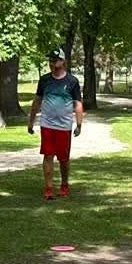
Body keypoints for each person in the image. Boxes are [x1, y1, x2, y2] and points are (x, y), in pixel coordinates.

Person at [27, 48, 83, 200]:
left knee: (63, 159)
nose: (52, 63)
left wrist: (79, 124)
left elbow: (77, 104)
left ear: (63, 61)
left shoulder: (72, 81)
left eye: (55, 60)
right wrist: (31, 122)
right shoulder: (44, 80)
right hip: (47, 124)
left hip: (64, 126)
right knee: (48, 155)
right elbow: (37, 101)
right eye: (50, 60)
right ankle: (49, 188)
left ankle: (64, 184)